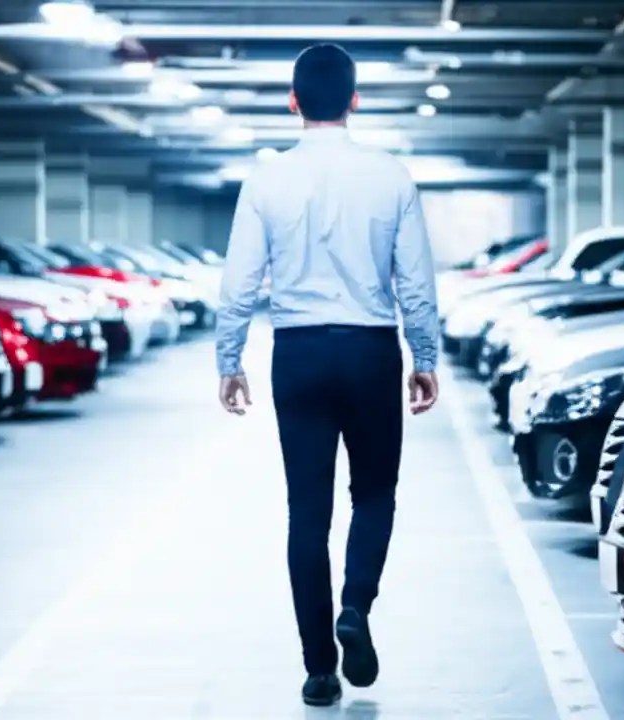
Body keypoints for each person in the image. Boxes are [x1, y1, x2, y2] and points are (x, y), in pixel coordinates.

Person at [214, 43, 440, 707]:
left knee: (307, 511)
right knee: (374, 494)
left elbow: (239, 282)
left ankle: (318, 669)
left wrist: (229, 360)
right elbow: (415, 282)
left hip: (299, 352)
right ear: (354, 101)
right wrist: (424, 357)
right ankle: (355, 607)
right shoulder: (391, 176)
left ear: (293, 102)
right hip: (371, 351)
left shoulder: (266, 181)